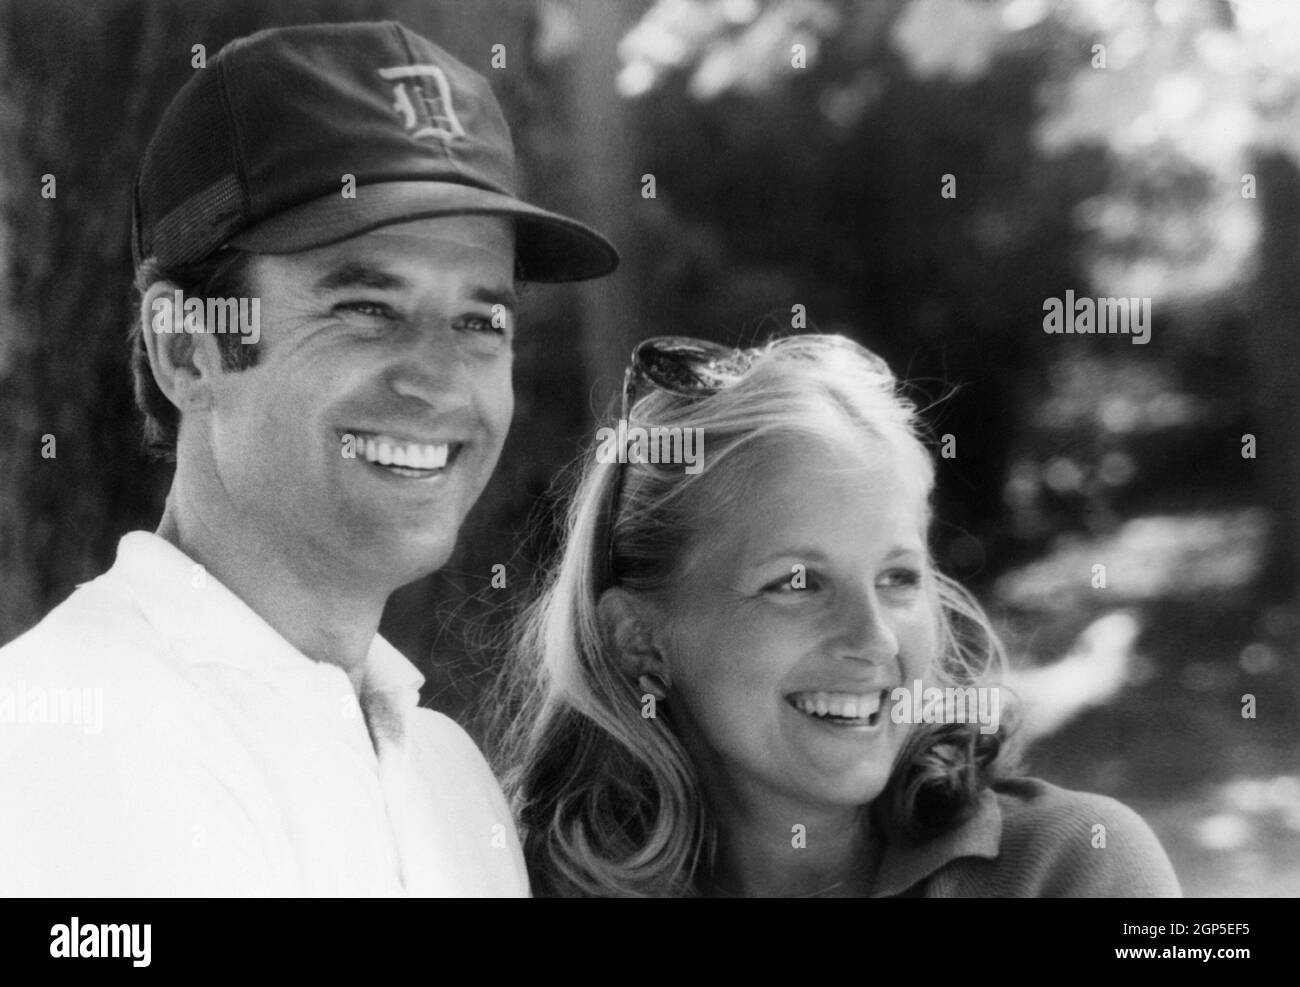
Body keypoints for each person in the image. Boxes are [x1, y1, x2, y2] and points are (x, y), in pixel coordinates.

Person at [0, 21, 616, 896]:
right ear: (186, 350)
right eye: (366, 306)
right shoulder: (83, 735)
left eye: (483, 321)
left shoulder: (448, 773)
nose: (440, 382)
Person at [491, 333, 1181, 897]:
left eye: (898, 577)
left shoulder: (1072, 868)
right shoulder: (512, 880)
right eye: (798, 582)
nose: (874, 638)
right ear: (639, 638)